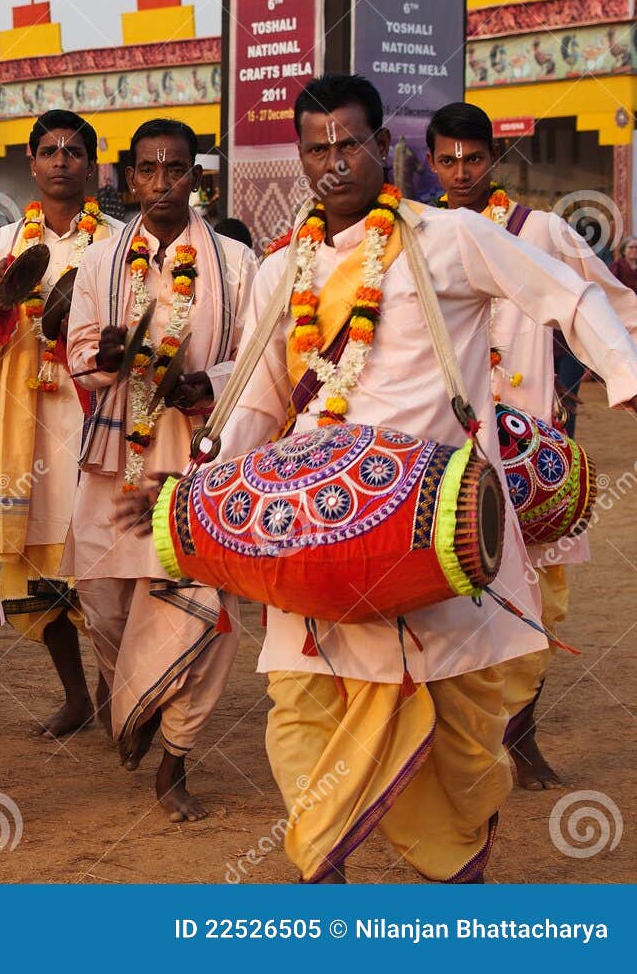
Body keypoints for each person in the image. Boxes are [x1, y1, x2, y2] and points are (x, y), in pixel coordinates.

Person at [153, 74, 637, 882]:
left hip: (434, 533)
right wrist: (204, 494)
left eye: (350, 143)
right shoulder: (284, 273)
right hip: (312, 527)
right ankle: (325, 877)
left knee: (457, 725)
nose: (334, 162)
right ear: (302, 157)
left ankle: (456, 881)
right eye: (318, 148)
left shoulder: (450, 238)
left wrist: (625, 375)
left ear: (385, 147)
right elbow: (259, 401)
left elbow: (569, 296)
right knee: (303, 703)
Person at [426, 100, 637, 789]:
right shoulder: (416, 233)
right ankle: (447, 743)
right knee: (449, 592)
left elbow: (604, 298)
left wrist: (622, 367)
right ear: (431, 162)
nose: (461, 172)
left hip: (531, 456)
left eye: (474, 158)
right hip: (450, 449)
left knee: (542, 603)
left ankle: (522, 735)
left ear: (495, 160)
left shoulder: (539, 229)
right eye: (448, 160)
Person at [67, 118, 255, 821]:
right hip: (116, 452)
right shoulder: (99, 262)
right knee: (104, 601)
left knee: (199, 605)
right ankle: (135, 694)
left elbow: (262, 357)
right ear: (128, 179)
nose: (161, 182)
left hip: (200, 453)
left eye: (175, 169)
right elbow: (79, 352)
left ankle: (176, 758)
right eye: (147, 169)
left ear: (195, 177)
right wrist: (106, 356)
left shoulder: (237, 264)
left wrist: (209, 381)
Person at [0, 110, 116, 738]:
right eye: (50, 151)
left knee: (107, 568)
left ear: (92, 163)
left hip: (101, 426)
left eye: (74, 150)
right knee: (40, 571)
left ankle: (120, 696)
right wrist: (3, 306)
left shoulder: (121, 243)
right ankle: (76, 695)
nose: (62, 160)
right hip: (24, 426)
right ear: (32, 163)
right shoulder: (0, 247)